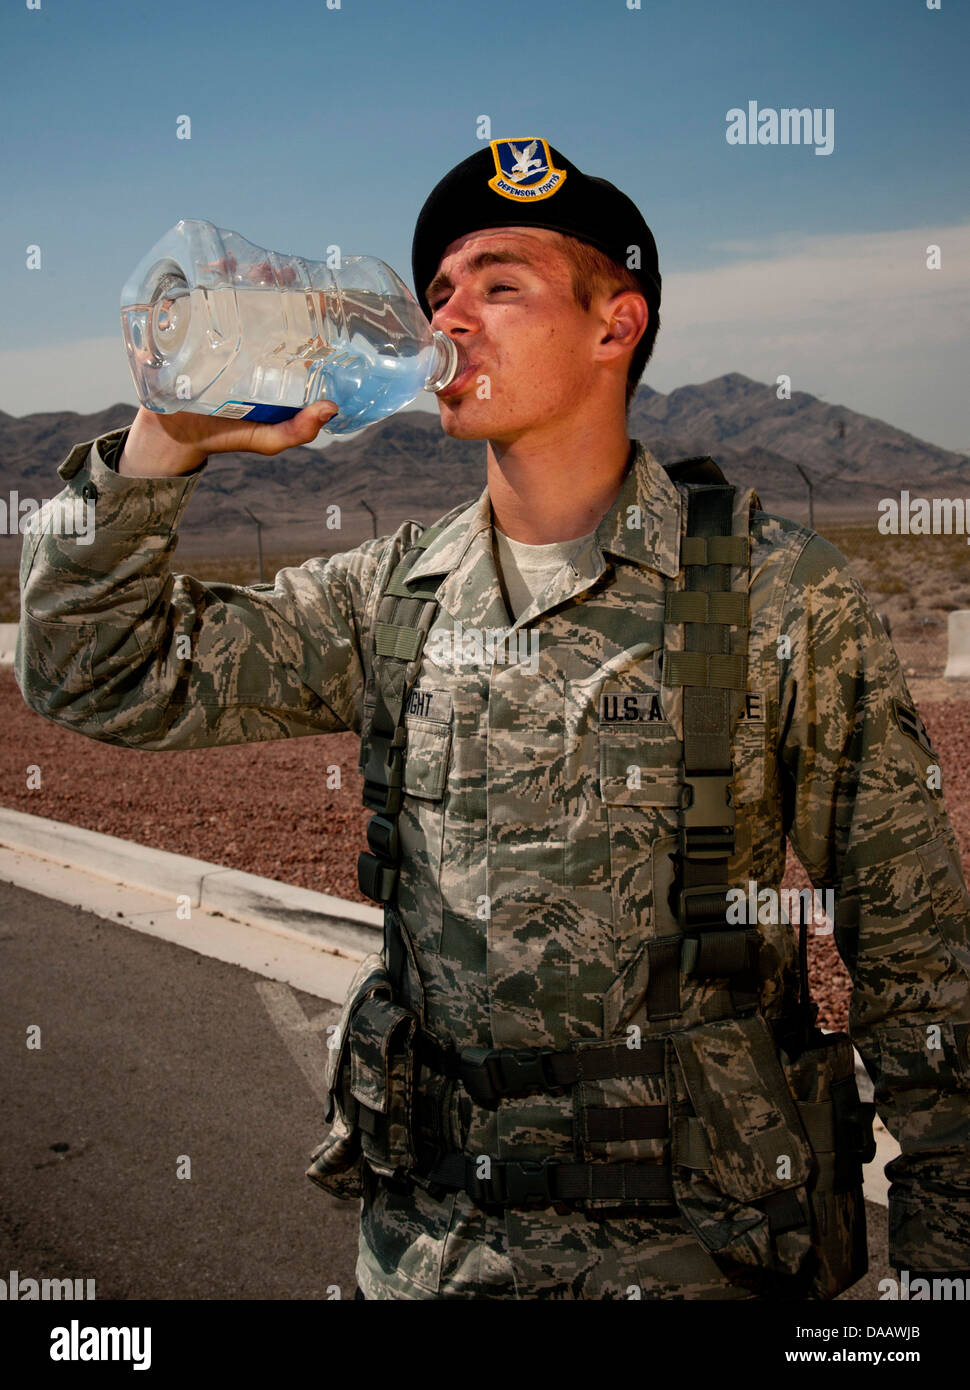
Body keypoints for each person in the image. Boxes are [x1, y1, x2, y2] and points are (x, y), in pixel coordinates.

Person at [15, 139, 970, 1301]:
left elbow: (916, 957)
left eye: (498, 284)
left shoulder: (774, 593)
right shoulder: (390, 594)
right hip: (429, 1256)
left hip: (699, 1262)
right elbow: (97, 676)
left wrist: (944, 1270)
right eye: (437, 295)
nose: (449, 318)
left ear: (616, 325)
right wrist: (162, 447)